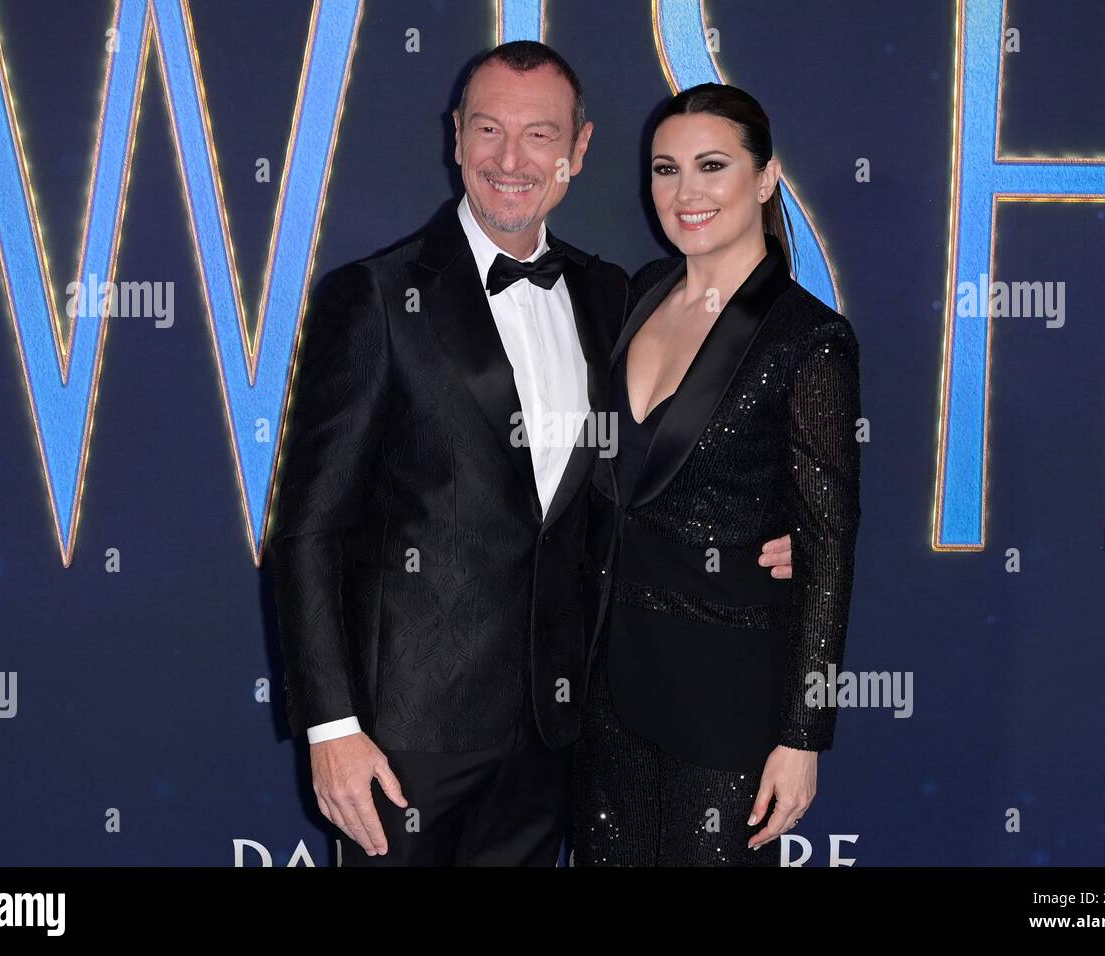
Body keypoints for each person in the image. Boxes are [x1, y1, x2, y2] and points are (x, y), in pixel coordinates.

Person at [269, 42, 796, 866]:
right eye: (489, 130)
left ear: (578, 151)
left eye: (540, 136)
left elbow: (664, 470)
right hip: (408, 737)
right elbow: (307, 531)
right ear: (456, 137)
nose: (511, 160)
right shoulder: (375, 297)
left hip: (561, 727)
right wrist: (332, 728)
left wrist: (768, 533)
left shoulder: (613, 294)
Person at [571, 83, 863, 866]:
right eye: (665, 169)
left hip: (726, 703)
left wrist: (803, 738)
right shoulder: (638, 294)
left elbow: (828, 547)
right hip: (609, 688)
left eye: (712, 165)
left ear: (765, 179)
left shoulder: (808, 338)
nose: (685, 192)